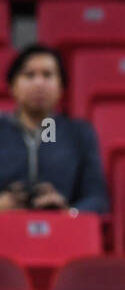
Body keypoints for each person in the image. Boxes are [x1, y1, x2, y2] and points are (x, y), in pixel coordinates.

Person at [0, 44, 108, 214]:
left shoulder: (79, 133)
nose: (39, 83)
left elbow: (97, 199)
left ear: (61, 89)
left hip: (62, 233)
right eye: (29, 75)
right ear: (12, 86)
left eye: (48, 75)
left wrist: (68, 212)